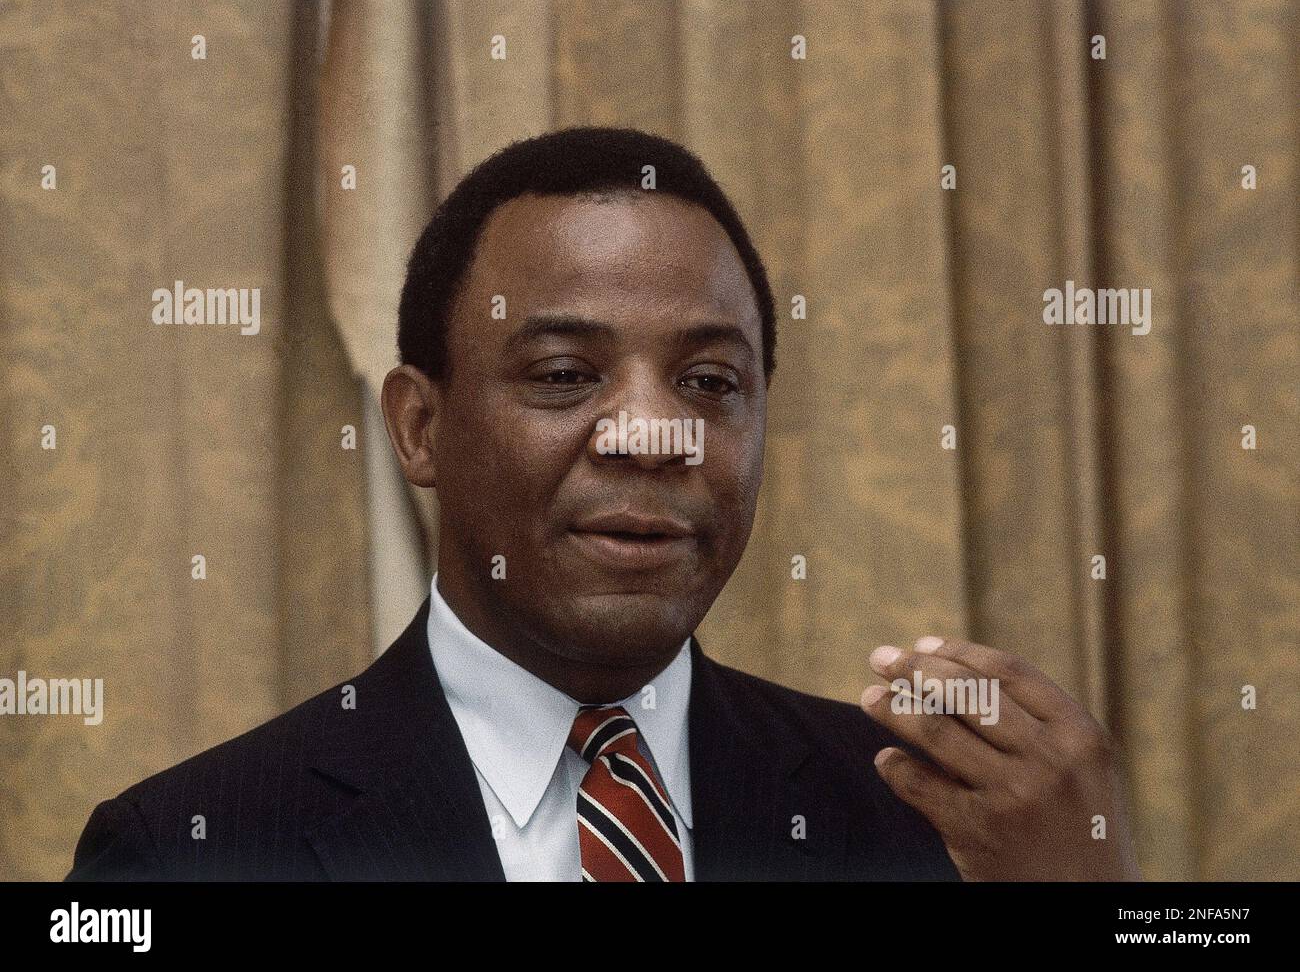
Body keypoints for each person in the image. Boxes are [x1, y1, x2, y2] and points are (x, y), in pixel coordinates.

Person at [68, 127, 1139, 881]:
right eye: (565, 374)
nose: (651, 435)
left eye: (711, 384)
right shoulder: (193, 848)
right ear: (420, 427)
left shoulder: (927, 823)